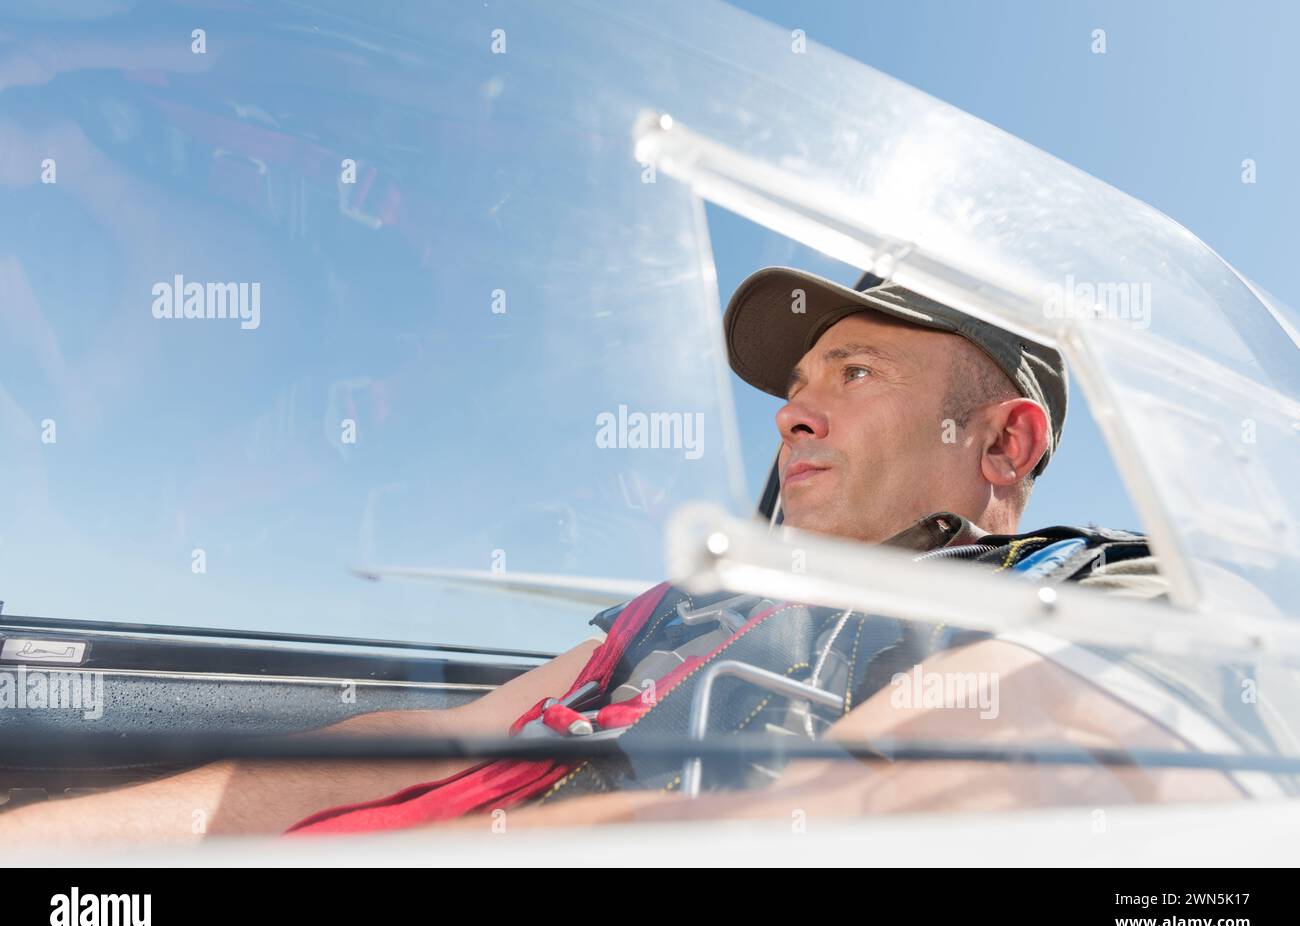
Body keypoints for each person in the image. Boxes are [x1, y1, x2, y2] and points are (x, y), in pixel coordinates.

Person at [0, 269, 1275, 844]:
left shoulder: (1100, 601)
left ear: (1002, 441)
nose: (791, 409)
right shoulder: (686, 607)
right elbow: (449, 745)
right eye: (796, 381)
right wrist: (84, 850)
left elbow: (892, 809)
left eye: (855, 369)